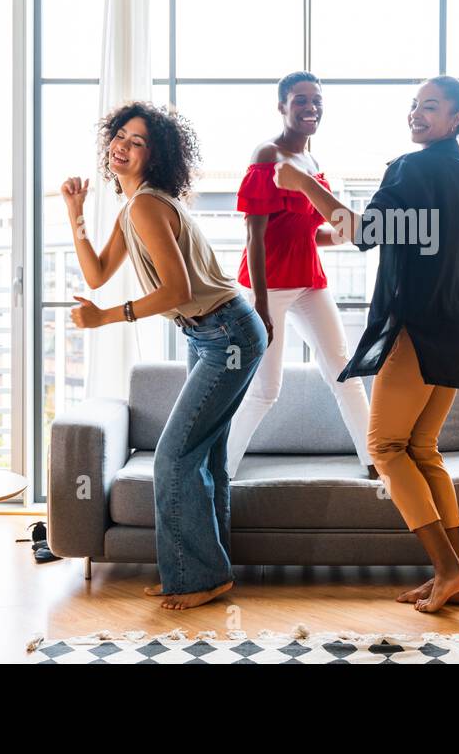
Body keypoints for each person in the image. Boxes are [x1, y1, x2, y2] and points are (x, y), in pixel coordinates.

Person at [274, 76, 459, 613]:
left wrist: (301, 183)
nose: (416, 114)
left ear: (455, 118)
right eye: (414, 105)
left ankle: (447, 568)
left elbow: (363, 230)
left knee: (386, 449)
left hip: (417, 330)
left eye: (431, 106)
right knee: (423, 449)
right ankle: (455, 575)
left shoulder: (411, 167)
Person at [62, 101, 267, 610]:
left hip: (227, 335)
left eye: (136, 142)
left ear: (155, 156)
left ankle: (196, 575)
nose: (122, 147)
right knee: (206, 457)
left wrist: (104, 317)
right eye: (119, 136)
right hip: (214, 335)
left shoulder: (148, 206)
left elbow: (174, 290)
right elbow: (97, 273)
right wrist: (75, 215)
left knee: (174, 457)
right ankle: (202, 571)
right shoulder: (134, 206)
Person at [227, 72, 374, 478]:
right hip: (267, 285)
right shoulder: (267, 156)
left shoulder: (313, 162)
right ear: (282, 107)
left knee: (344, 371)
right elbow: (254, 235)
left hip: (309, 281)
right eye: (300, 100)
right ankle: (221, 470)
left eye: (317, 100)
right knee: (265, 391)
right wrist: (259, 305)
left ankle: (375, 462)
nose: (311, 108)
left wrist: (347, 235)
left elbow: (312, 233)